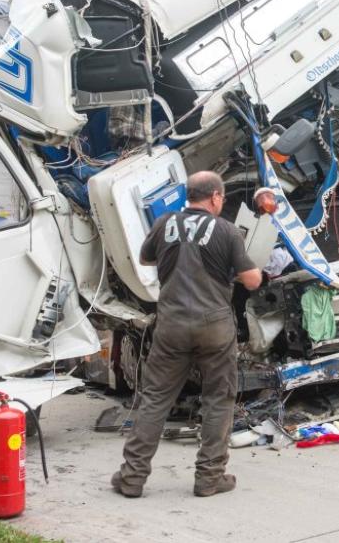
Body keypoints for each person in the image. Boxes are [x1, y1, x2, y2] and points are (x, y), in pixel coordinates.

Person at [112, 171, 261, 498]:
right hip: (214, 327)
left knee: (154, 400)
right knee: (218, 400)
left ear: (188, 196)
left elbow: (144, 257)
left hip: (172, 326)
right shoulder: (226, 231)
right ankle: (209, 478)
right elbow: (252, 280)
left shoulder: (165, 222)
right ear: (216, 197)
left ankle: (132, 478)